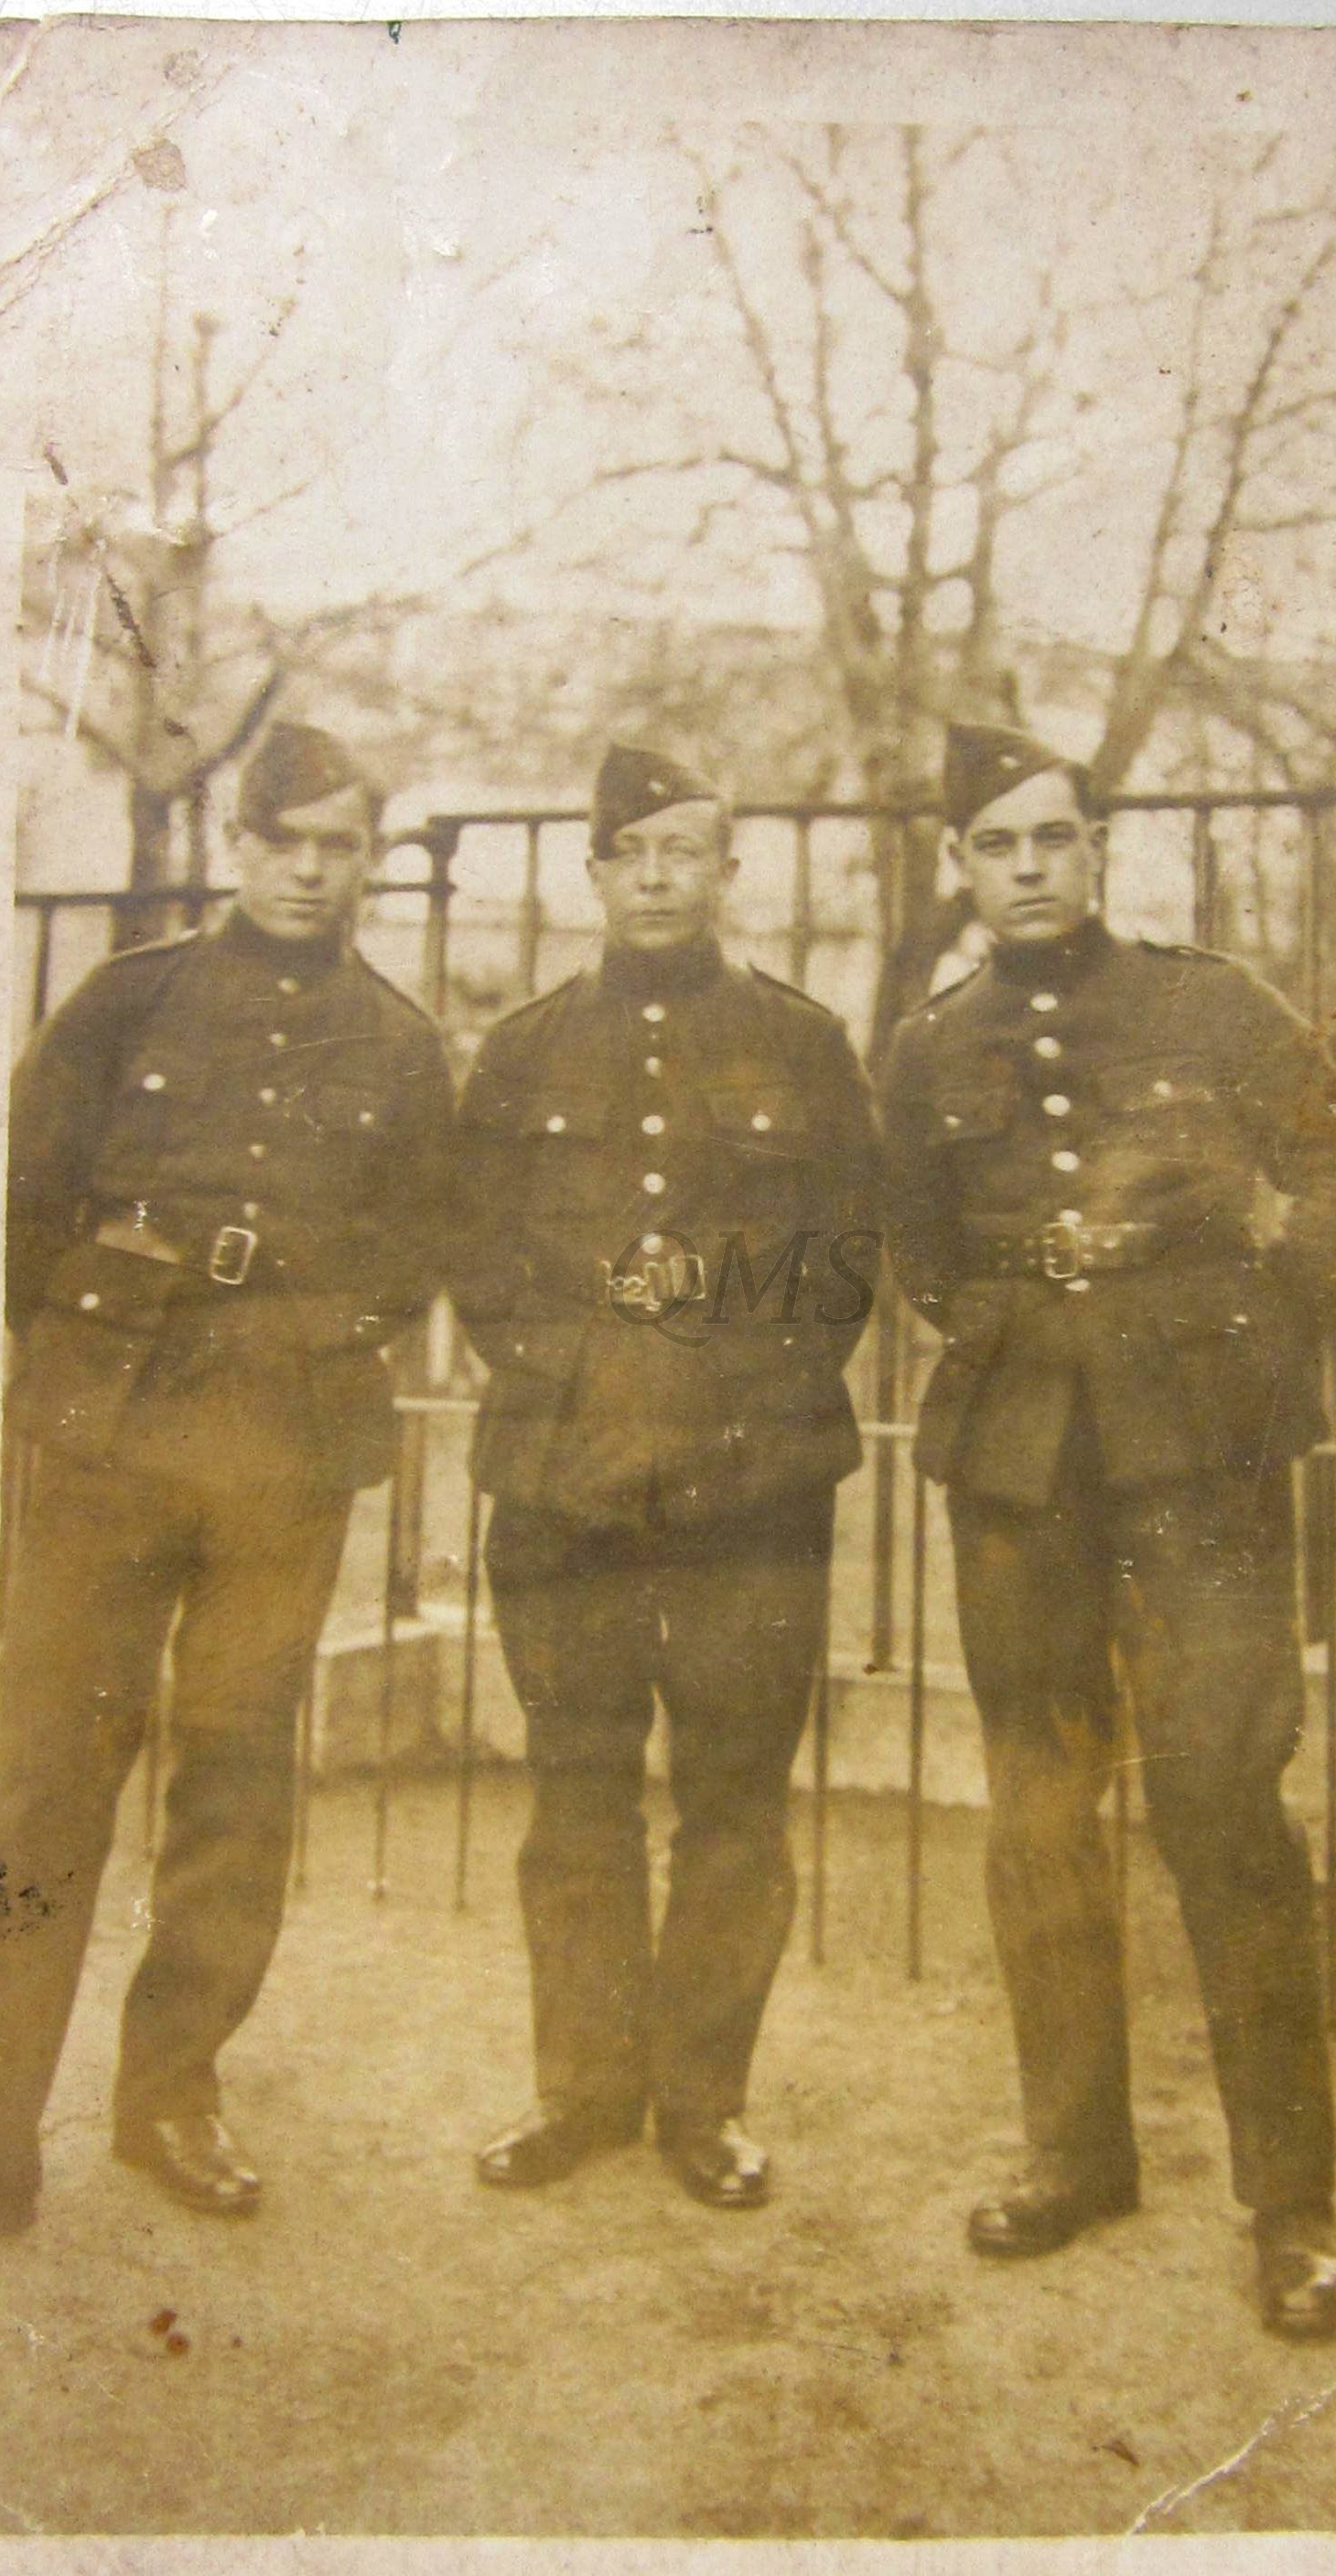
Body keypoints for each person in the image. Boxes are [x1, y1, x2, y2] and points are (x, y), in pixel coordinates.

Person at [879, 720, 1336, 2338]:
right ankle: (1074, 2152)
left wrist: (1252, 1331)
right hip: (1021, 1473)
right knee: (1038, 1813)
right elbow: (913, 1252)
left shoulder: (1213, 1004)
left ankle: (1294, 2207)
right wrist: (1006, 1327)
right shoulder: (923, 1047)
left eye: (1051, 839)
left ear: (1094, 847)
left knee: (1224, 1805)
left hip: (1203, 1463)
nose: (1027, 871)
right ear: (960, 870)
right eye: (995, 848)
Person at [0, 723, 454, 2232]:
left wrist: (293, 1334)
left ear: (367, 861)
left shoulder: (396, 1044)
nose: (313, 873)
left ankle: (171, 2094)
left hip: (278, 1453)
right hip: (109, 1439)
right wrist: (93, 1330)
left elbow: (411, 1253)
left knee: (237, 1776)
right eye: (286, 843)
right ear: (238, 848)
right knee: (51, 1772)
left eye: (341, 848)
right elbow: (9, 1204)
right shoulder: (131, 1000)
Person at [450, 743, 878, 2210]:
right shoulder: (518, 1052)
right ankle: (581, 2093)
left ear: (722, 870)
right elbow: (478, 1262)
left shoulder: (804, 1045)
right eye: (629, 853)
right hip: (562, 1480)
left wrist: (711, 1359)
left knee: (733, 1800)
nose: (655, 877)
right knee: (573, 1795)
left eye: (683, 852)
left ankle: (703, 2106)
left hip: (748, 1485)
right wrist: (582, 1371)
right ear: (592, 871)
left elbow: (842, 1264)